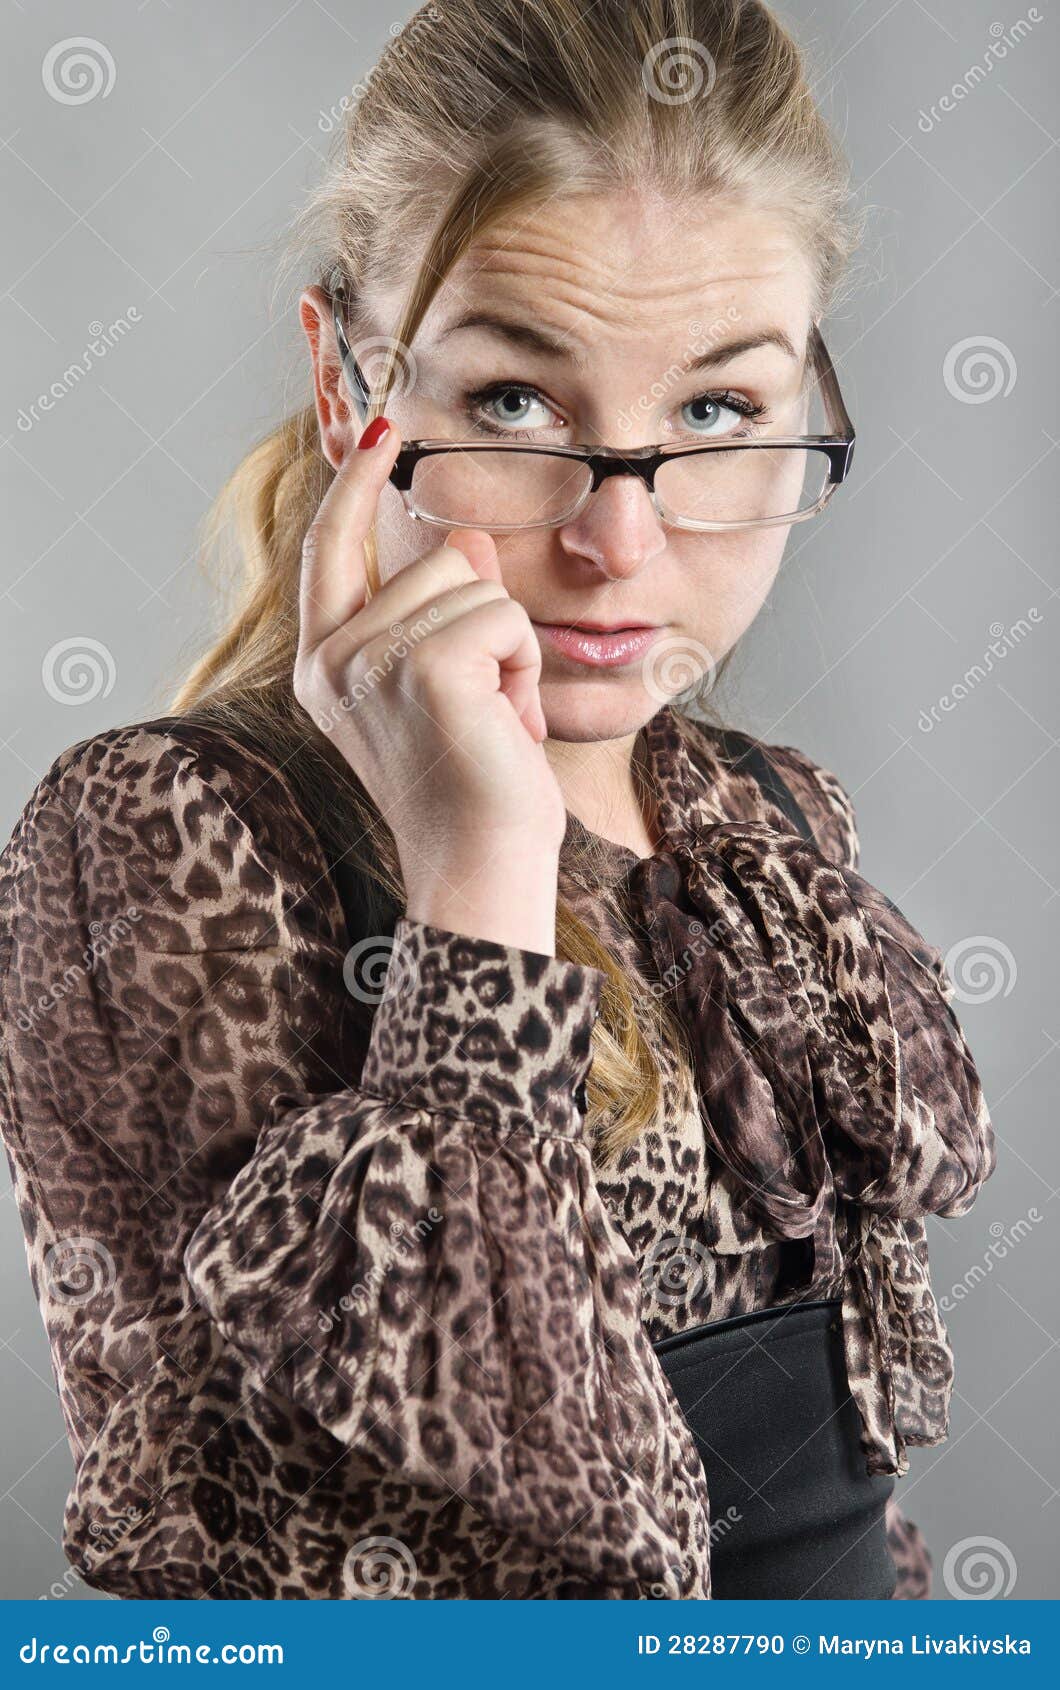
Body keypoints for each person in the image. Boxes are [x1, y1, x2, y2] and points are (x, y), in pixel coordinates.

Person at [0, 0, 994, 1599]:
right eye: (518, 407)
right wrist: (475, 884)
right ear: (351, 391)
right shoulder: (165, 839)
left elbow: (846, 1507)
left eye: (718, 413)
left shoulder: (771, 821)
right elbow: (302, 1565)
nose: (621, 544)